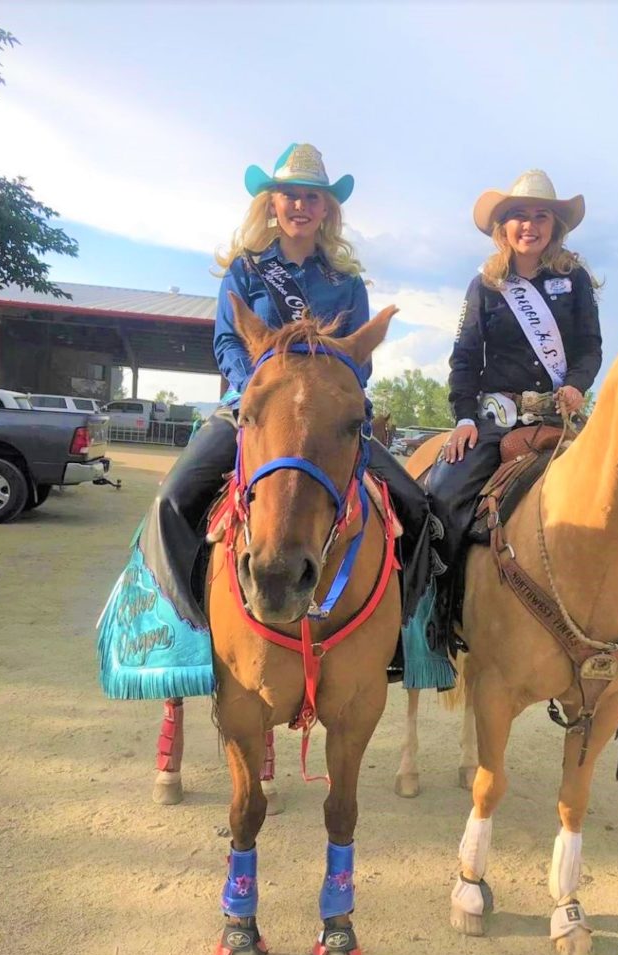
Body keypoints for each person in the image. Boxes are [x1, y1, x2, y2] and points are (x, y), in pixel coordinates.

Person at [98, 143, 432, 703]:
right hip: (250, 405)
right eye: (290, 196)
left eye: (312, 198)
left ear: (326, 210)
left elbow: (357, 359)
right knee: (171, 504)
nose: (300, 206)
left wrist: (328, 390)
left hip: (323, 415)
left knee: (418, 509)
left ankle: (402, 639)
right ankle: (193, 631)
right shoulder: (245, 270)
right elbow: (228, 339)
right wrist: (258, 386)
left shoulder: (346, 281)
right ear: (271, 205)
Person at [427, 168, 602, 603]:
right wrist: (464, 417)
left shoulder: (575, 279)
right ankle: (438, 609)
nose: (530, 225)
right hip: (497, 419)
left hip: (557, 416)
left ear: (554, 226)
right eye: (519, 215)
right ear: (503, 226)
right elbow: (464, 359)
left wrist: (578, 384)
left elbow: (590, 348)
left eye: (541, 216)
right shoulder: (485, 286)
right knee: (443, 496)